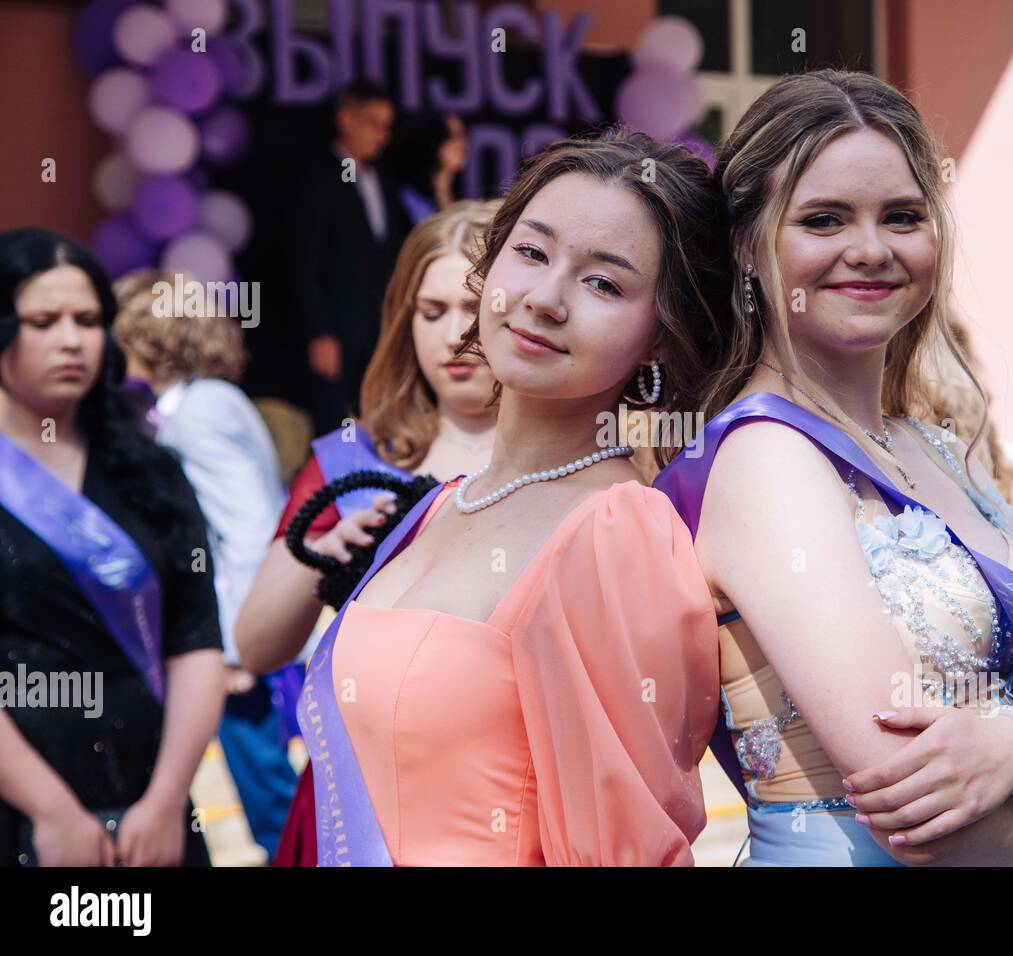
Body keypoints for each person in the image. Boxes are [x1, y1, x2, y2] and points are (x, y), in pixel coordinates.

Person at [653, 70, 1013, 866]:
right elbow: (922, 823)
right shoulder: (764, 458)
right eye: (823, 219)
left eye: (902, 216)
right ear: (746, 242)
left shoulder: (931, 449)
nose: (871, 250)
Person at [293, 128, 733, 865]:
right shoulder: (442, 506)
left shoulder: (616, 531)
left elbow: (622, 849)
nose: (544, 299)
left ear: (662, 334)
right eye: (531, 252)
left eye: (604, 284)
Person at [238, 200, 501, 865]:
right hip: (351, 812)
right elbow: (257, 646)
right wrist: (319, 556)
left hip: (501, 808)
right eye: (431, 311)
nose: (454, 335)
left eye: (473, 309)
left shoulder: (582, 465)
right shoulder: (349, 461)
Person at [0, 228, 225, 866]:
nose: (71, 340)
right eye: (43, 321)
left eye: (88, 320)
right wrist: (50, 811)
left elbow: (195, 642)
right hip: (21, 807)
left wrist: (166, 801)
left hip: (151, 805)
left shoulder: (149, 470)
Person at [112, 268, 297, 862]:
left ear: (148, 338)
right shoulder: (200, 403)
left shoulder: (201, 412)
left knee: (268, 795)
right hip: (230, 629)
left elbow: (248, 529)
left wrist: (238, 647)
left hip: (236, 638)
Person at [289, 79, 412, 435]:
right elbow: (305, 263)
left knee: (377, 415)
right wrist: (320, 332)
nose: (382, 136)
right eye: (374, 124)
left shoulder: (382, 177)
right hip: (338, 331)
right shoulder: (318, 178)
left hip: (378, 328)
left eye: (387, 126)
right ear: (346, 119)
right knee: (335, 420)